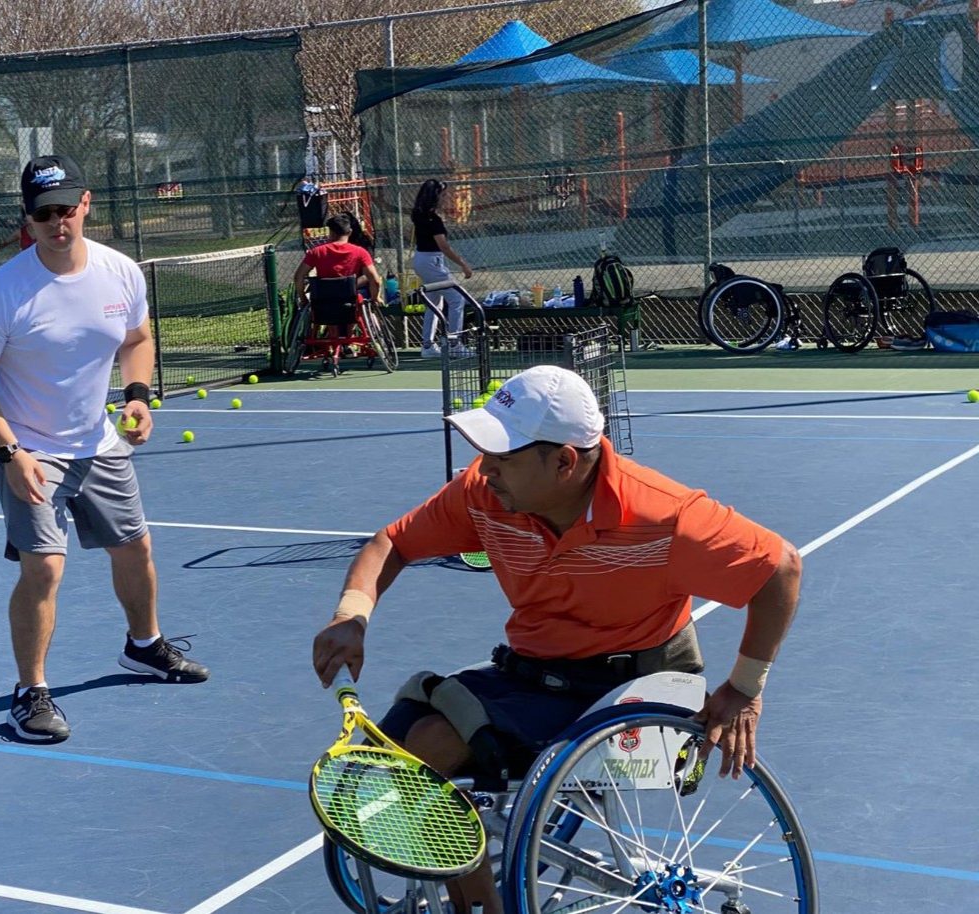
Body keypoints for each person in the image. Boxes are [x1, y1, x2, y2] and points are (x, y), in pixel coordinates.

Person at [312, 365, 801, 913]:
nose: (486, 469)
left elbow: (779, 569)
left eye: (503, 457)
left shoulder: (665, 517)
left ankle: (484, 908)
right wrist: (352, 614)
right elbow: (394, 541)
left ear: (564, 462)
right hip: (534, 672)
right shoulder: (485, 494)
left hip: (629, 685)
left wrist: (744, 689)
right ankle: (477, 900)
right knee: (386, 752)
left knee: (427, 748)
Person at [0, 154, 209, 744]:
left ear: (85, 204)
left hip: (98, 441)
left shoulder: (120, 273)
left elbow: (138, 339)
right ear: (28, 218)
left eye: (66, 209)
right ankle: (30, 694)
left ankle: (144, 646)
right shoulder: (3, 293)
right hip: (29, 448)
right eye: (44, 213)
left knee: (135, 548)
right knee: (44, 567)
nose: (57, 222)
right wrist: (9, 453)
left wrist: (139, 396)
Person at [410, 179, 473, 358]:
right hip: (431, 263)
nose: (446, 198)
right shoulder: (433, 219)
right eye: (443, 195)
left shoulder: (419, 214)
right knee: (457, 300)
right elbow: (443, 246)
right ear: (436, 197)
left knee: (434, 303)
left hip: (423, 260)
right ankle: (454, 343)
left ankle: (428, 346)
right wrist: (463, 265)